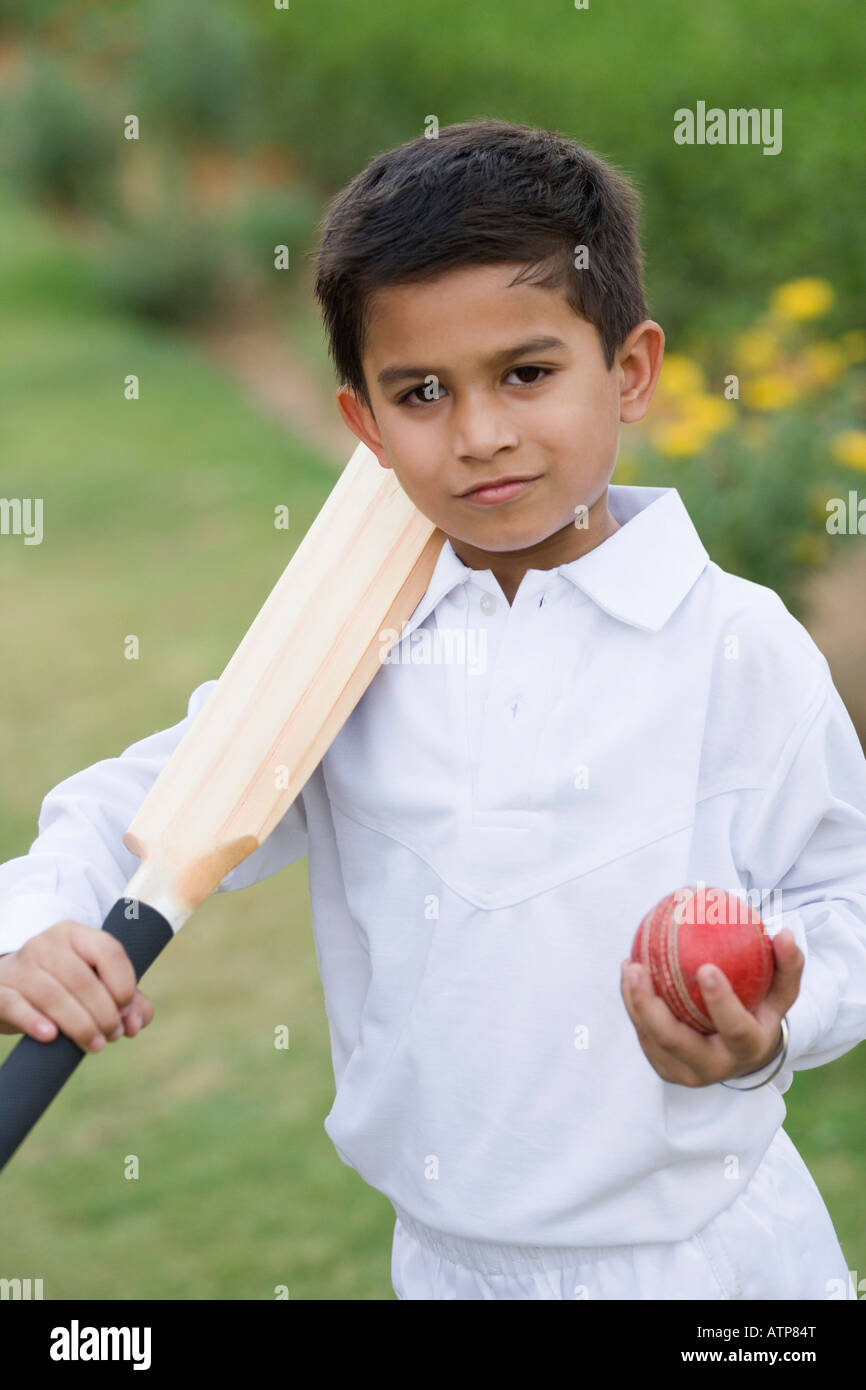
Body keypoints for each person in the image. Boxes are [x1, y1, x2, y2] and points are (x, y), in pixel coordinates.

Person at [1, 119, 864, 1300]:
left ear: (629, 370)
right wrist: (42, 922)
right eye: (420, 392)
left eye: (526, 372)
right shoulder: (346, 657)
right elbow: (133, 805)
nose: (480, 435)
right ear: (361, 424)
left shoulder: (734, 646)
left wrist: (776, 1012)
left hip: (708, 1262)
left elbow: (842, 897)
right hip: (449, 1265)